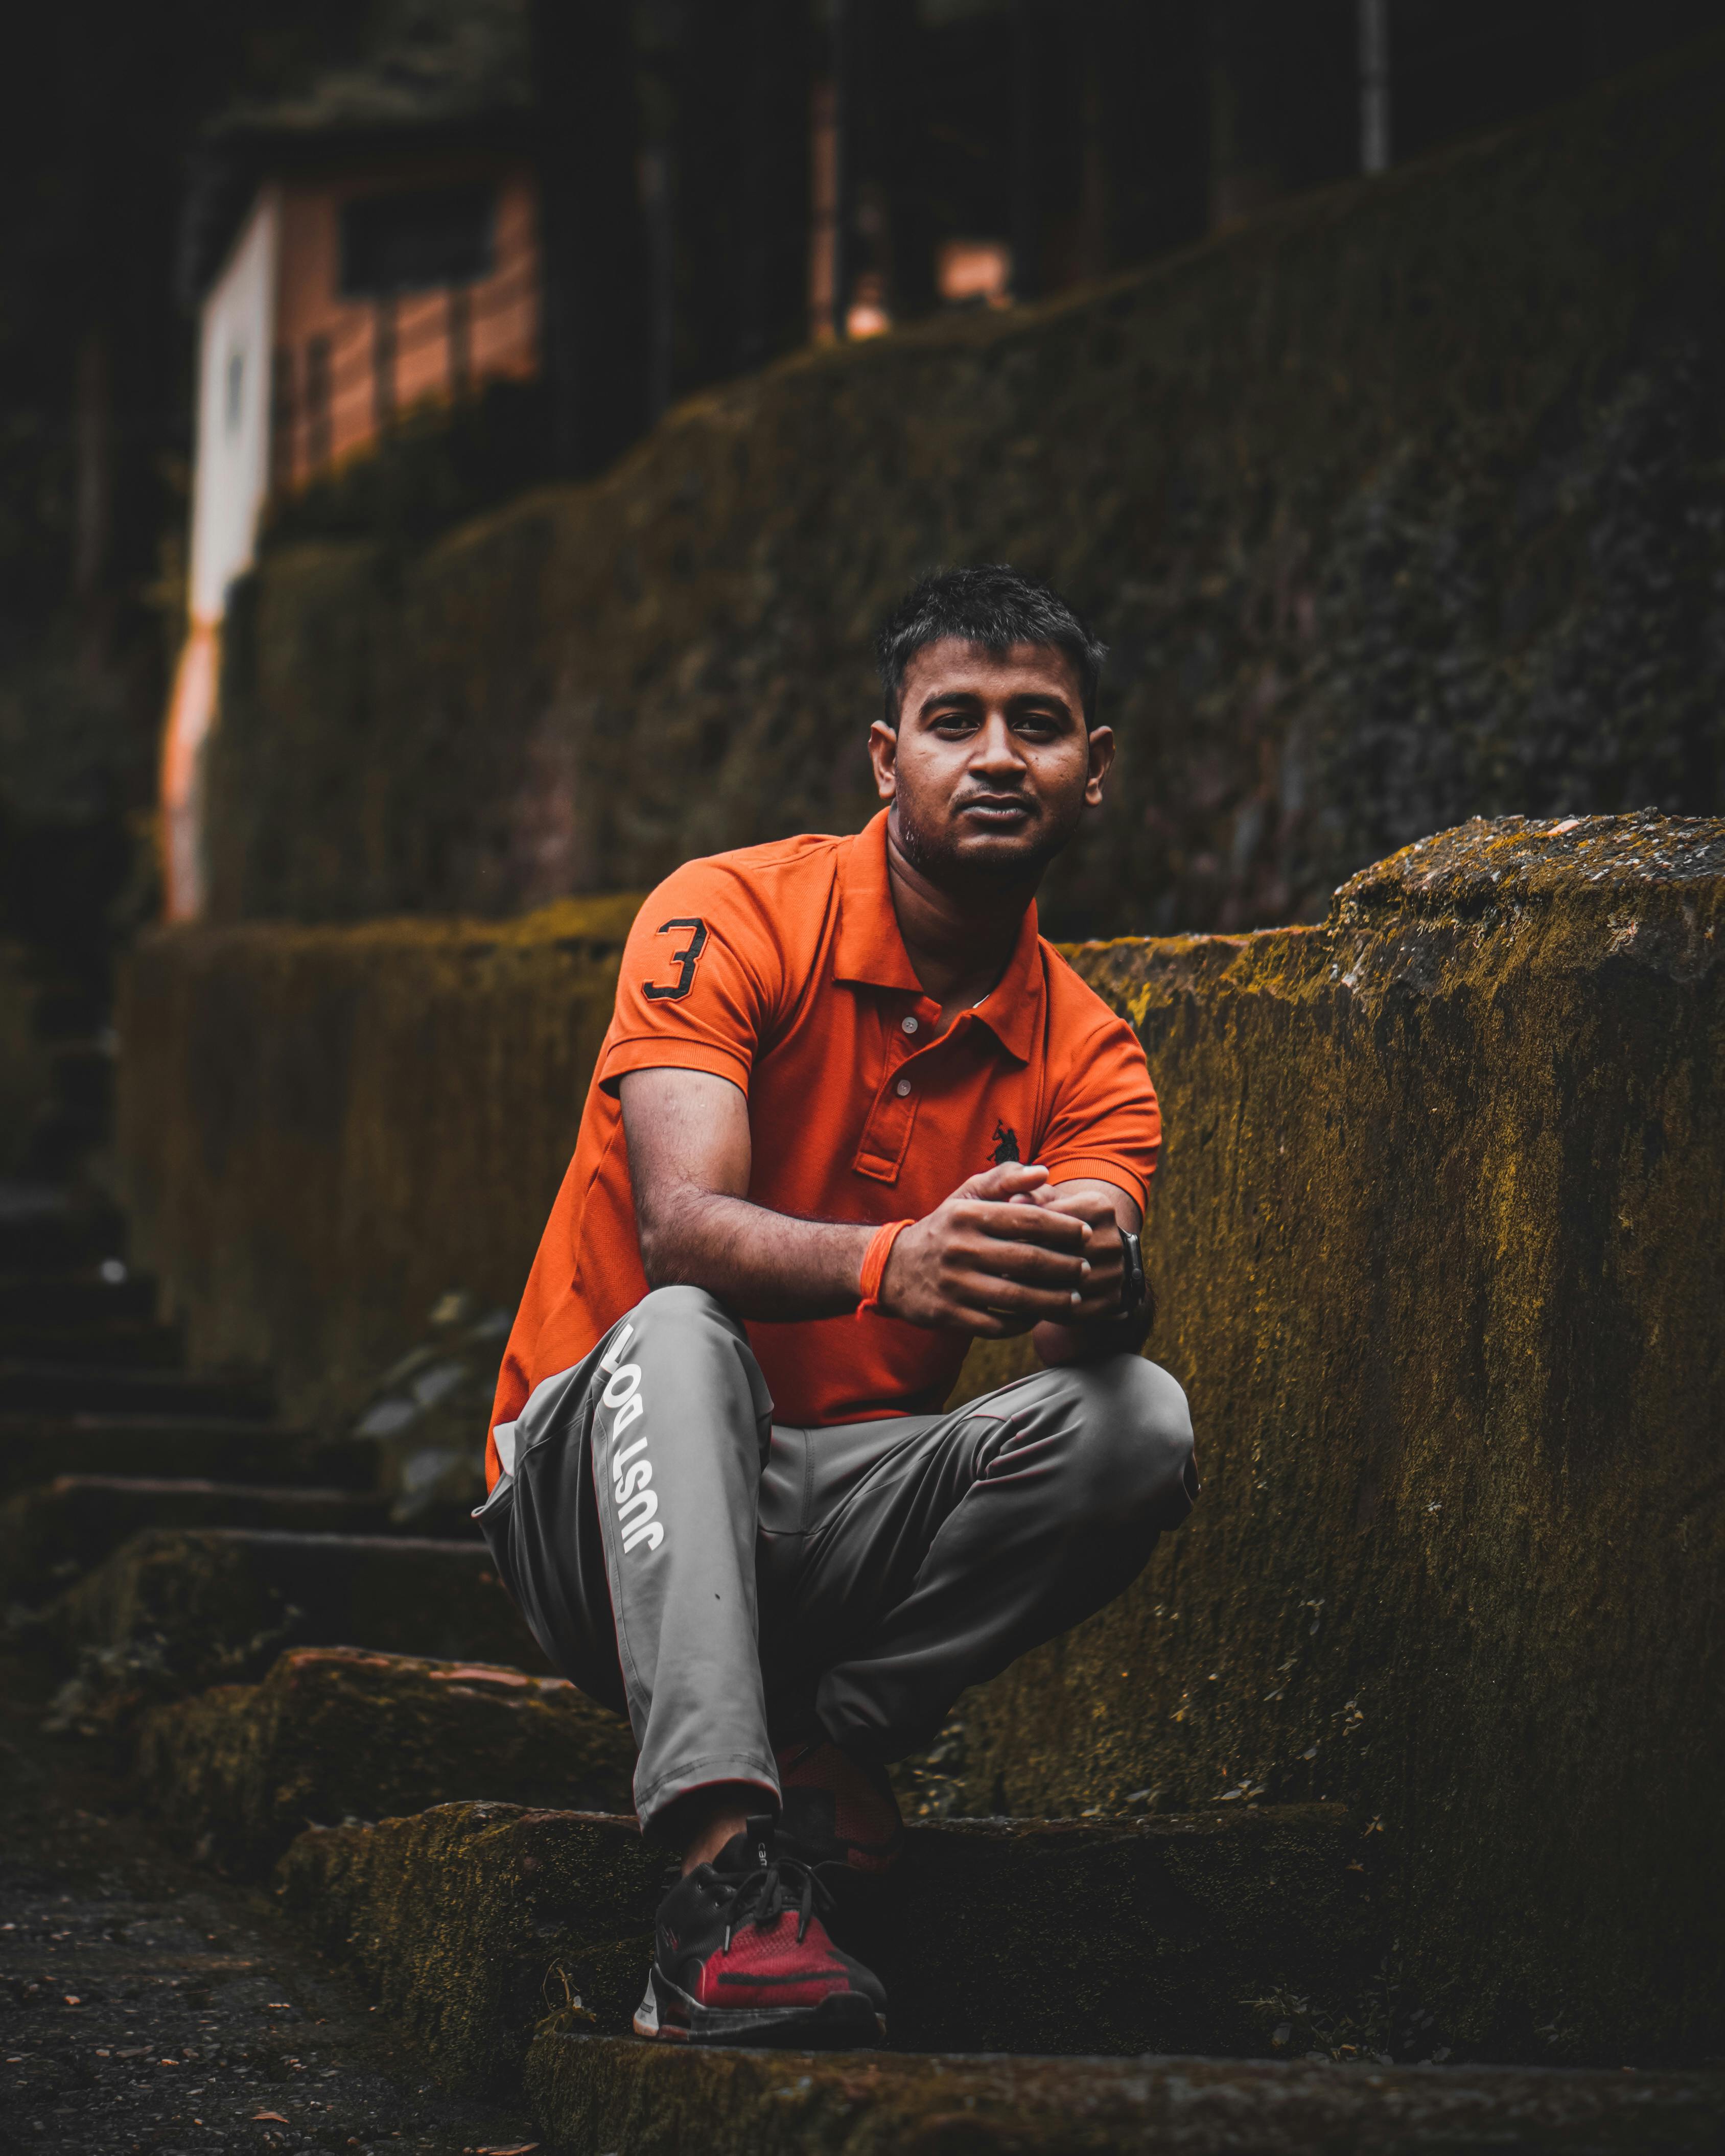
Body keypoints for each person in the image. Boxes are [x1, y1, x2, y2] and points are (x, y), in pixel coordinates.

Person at [478, 564, 1198, 2048]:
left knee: (1140, 1419)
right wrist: (896, 1263)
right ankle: (715, 1888)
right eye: (956, 719)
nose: (999, 755)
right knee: (687, 1327)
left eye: (1040, 725)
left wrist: (1105, 1277)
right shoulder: (730, 911)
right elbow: (680, 1223)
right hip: (598, 1498)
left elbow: (1074, 1338)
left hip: (825, 1514)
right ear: (890, 758)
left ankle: (832, 1744)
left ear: (1095, 770)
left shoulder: (1092, 1055)